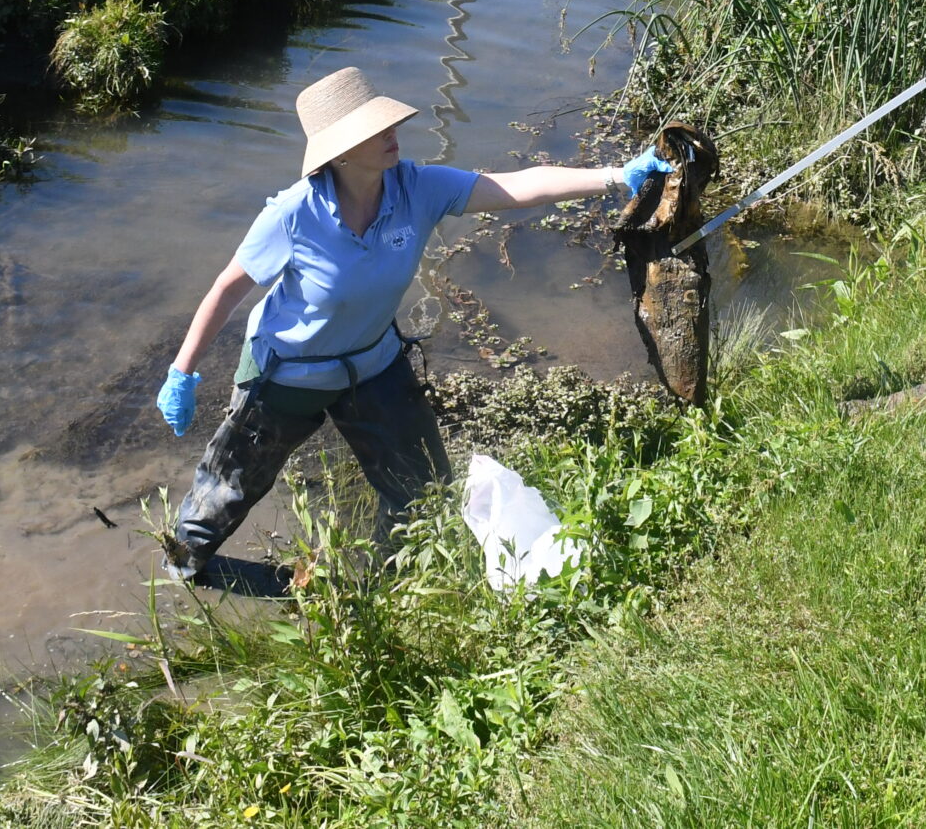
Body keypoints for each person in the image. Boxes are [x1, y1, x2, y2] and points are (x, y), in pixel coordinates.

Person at [152, 64, 672, 587]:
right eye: (374, 129)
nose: (392, 133)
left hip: (373, 364)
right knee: (222, 498)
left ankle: (382, 587)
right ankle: (204, 573)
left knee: (422, 490)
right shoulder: (293, 215)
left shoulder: (417, 188)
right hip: (288, 374)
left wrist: (614, 175)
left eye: (389, 122)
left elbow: (515, 186)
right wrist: (182, 373)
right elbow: (227, 289)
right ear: (340, 152)